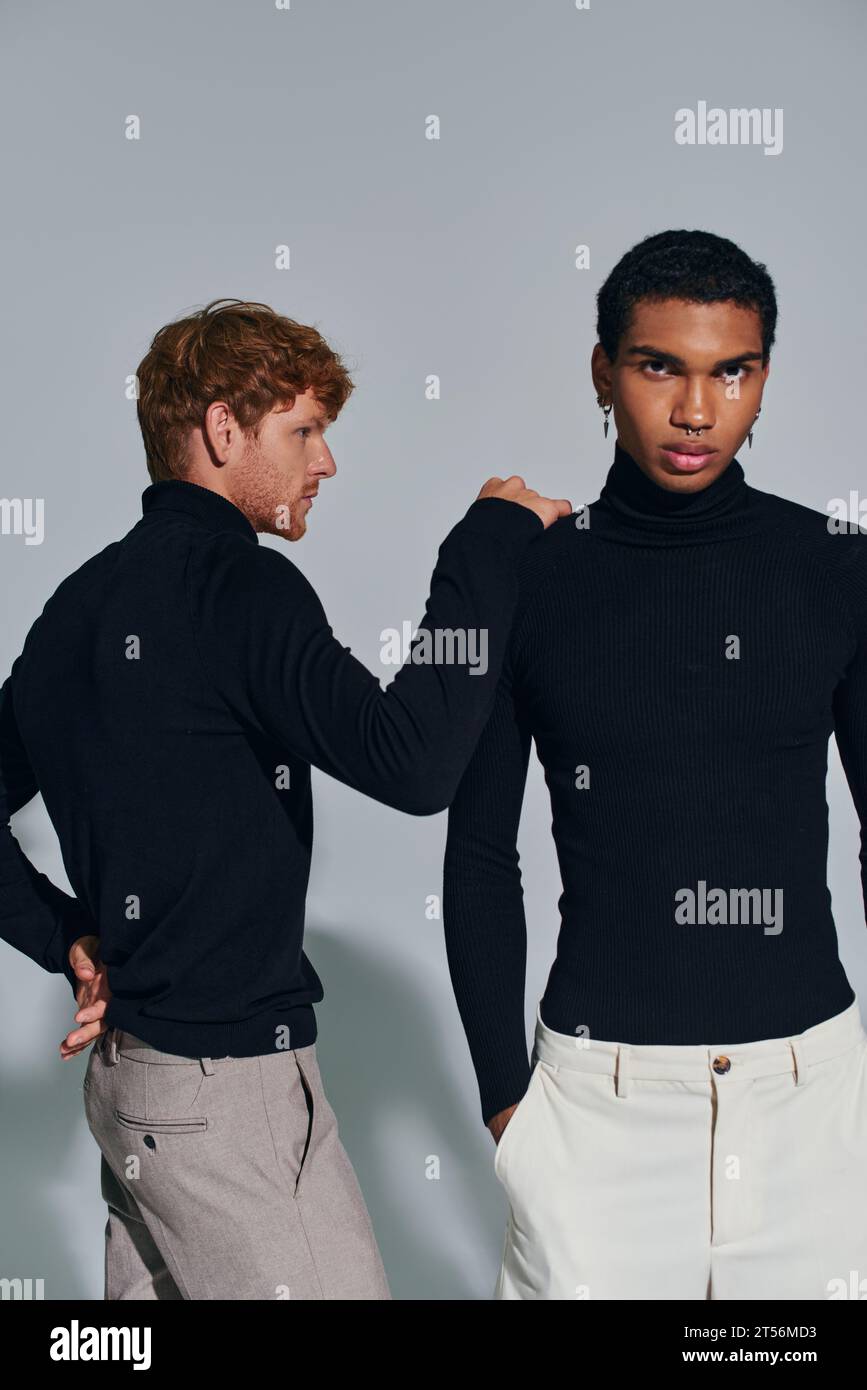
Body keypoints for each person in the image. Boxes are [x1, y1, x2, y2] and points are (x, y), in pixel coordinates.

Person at [0, 297, 570, 1300]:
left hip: (134, 1092)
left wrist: (69, 938)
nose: (326, 463)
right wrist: (489, 541)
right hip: (228, 1106)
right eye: (303, 431)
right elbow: (413, 761)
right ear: (223, 429)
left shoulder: (79, 605)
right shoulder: (241, 588)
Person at [442, 229, 867, 1300]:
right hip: (596, 1114)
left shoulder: (835, 569)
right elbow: (482, 852)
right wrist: (508, 1103)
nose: (696, 409)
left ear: (764, 373)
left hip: (814, 1111)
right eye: (658, 366)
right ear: (603, 370)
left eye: (733, 370)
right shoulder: (535, 580)